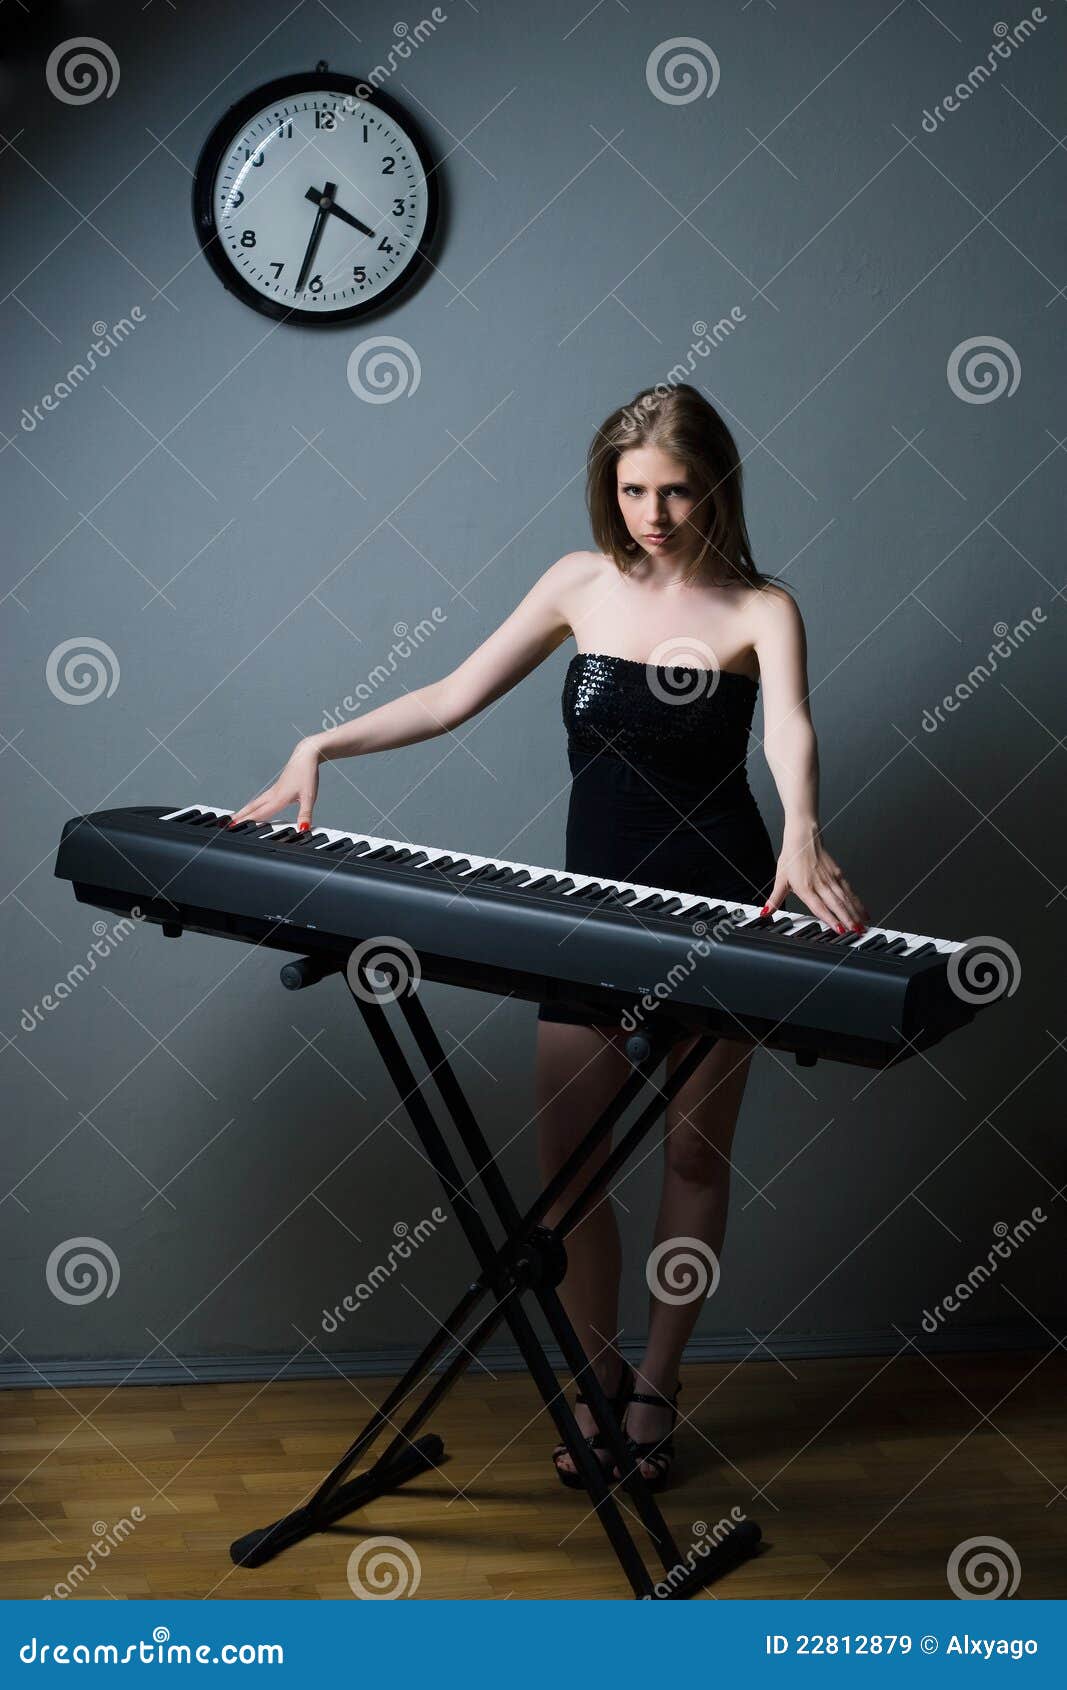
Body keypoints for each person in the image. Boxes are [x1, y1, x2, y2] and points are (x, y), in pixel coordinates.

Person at [230, 383, 869, 1493]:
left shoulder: (762, 607)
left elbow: (790, 732)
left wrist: (803, 829)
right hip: (587, 912)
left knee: (687, 1154)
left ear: (713, 483)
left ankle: (656, 1386)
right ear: (607, 488)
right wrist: (317, 742)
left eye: (673, 489)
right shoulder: (579, 583)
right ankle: (593, 1381)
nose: (652, 513)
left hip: (719, 903)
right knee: (565, 1176)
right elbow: (449, 694)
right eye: (631, 490)